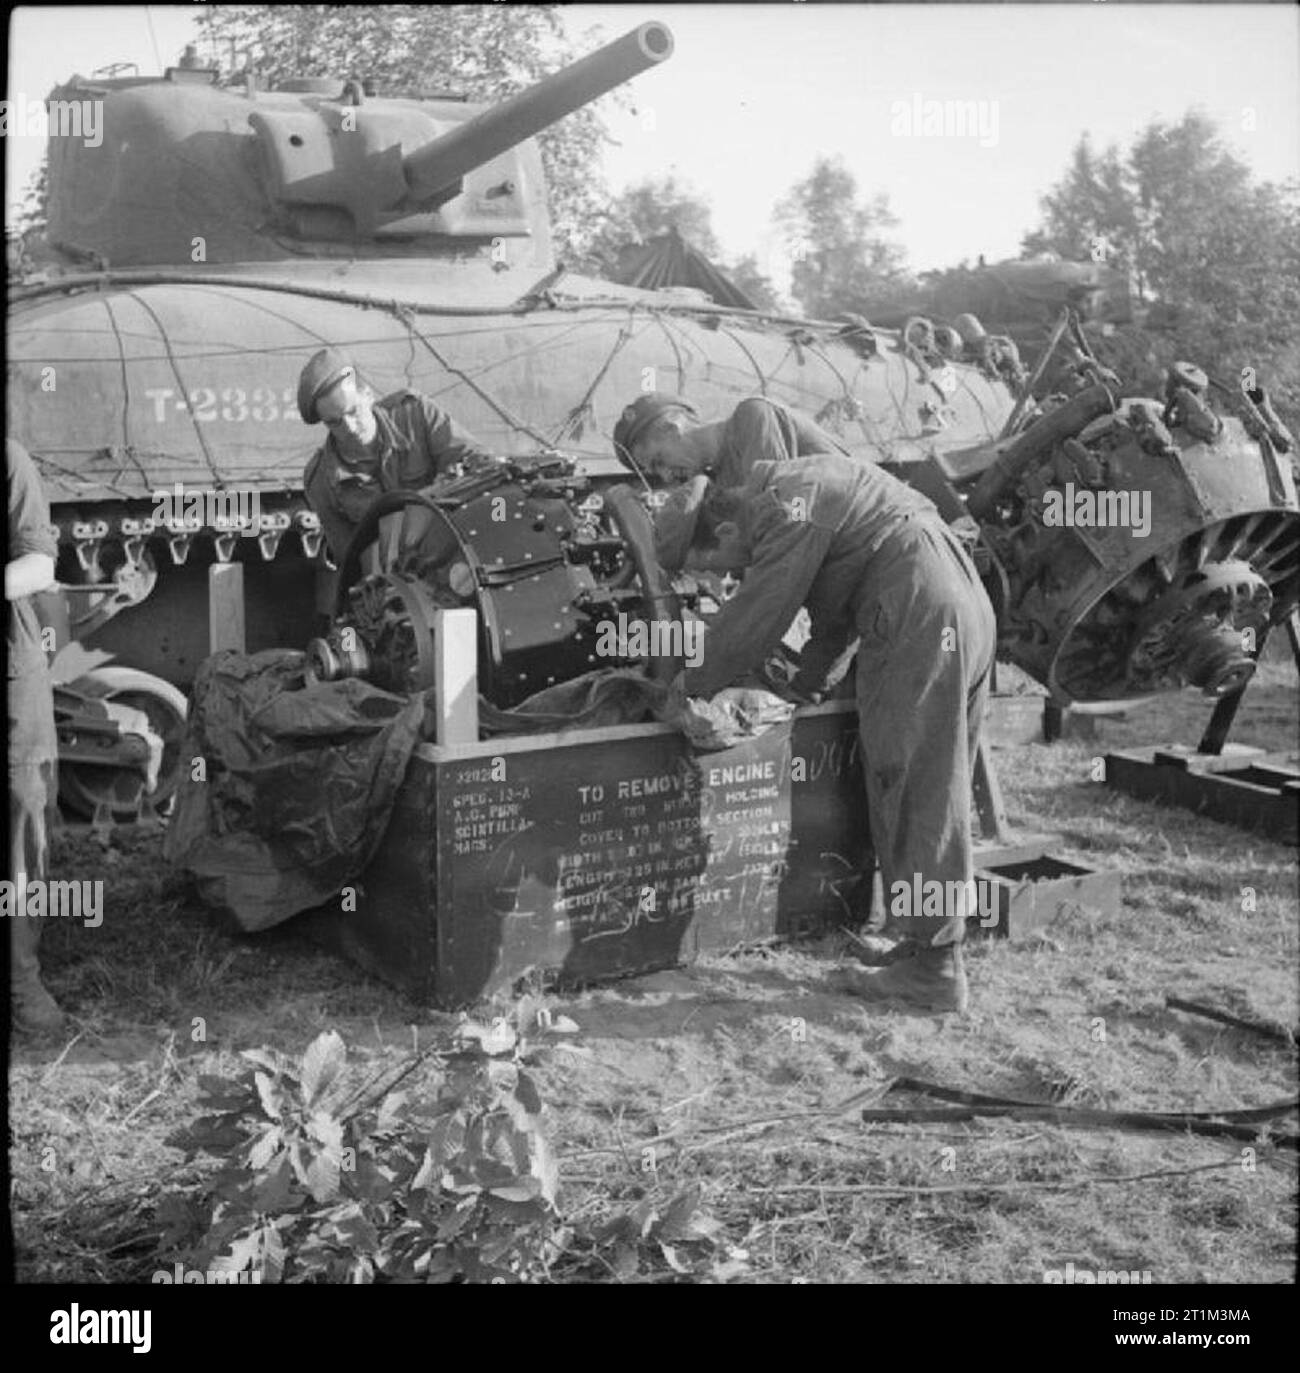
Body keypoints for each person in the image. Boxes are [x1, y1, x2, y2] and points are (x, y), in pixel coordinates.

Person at [660, 449, 997, 1014]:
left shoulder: (786, 505)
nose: (727, 579)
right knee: (935, 782)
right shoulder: (810, 488)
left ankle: (934, 969)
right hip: (953, 598)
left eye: (718, 566)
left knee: (917, 784)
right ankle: (920, 947)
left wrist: (687, 688)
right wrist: (803, 688)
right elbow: (835, 620)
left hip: (917, 609)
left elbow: (758, 613)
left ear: (723, 527)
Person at [298, 349, 499, 563]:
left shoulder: (416, 414)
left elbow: (482, 465)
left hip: (458, 549)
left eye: (352, 412)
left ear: (367, 395)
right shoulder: (321, 479)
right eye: (334, 422)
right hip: (399, 579)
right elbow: (349, 561)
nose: (349, 427)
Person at [7, 438, 65, 1035]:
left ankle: (21, 978)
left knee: (23, 814)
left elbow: (39, 565)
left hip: (10, 669)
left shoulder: (11, 461)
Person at [613, 391, 848, 490]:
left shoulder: (753, 415)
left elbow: (778, 511)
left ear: (671, 428)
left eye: (659, 461)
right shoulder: (721, 476)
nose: (665, 476)